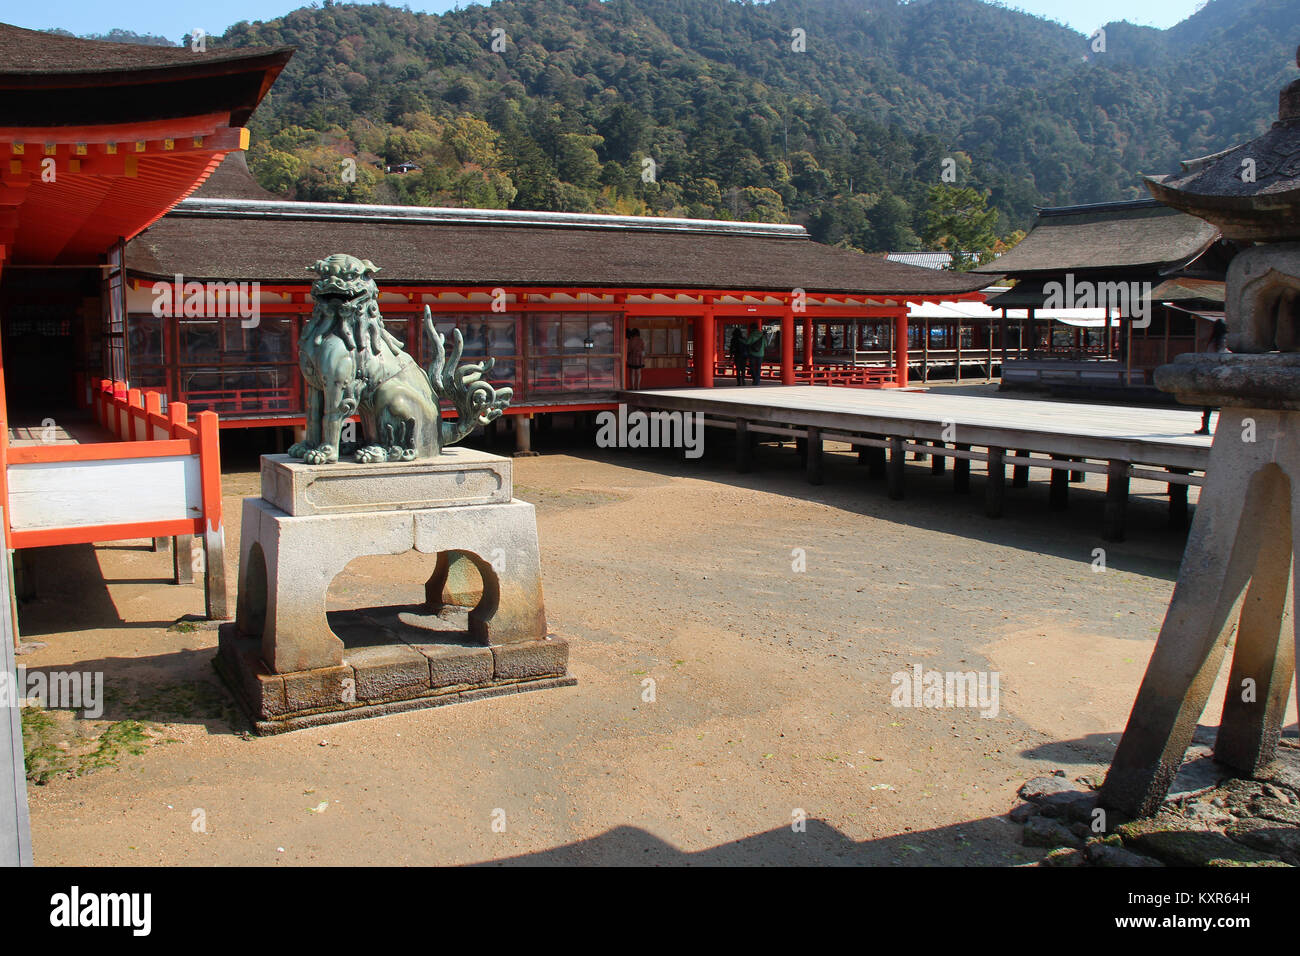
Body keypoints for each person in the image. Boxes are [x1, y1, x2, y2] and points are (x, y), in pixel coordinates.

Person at [1196, 318, 1229, 435]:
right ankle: (1226, 428)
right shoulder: (1227, 341)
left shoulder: (1213, 342)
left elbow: (1209, 357)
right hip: (1225, 374)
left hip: (1212, 374)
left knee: (1208, 403)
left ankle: (1205, 427)